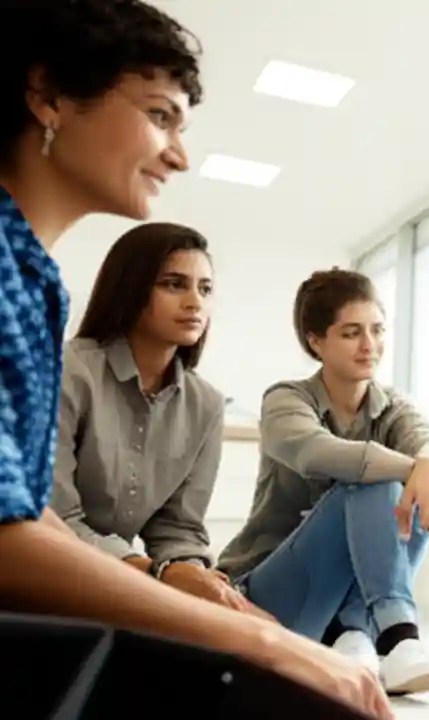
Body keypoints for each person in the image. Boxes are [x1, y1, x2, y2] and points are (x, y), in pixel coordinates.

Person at [0, 2, 390, 717]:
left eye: (204, 287)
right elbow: (18, 532)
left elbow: (21, 516)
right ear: (49, 95)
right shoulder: (53, 330)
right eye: (158, 116)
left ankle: (374, 635)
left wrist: (198, 590)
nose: (178, 154)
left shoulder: (33, 281)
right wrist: (251, 639)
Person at [217, 268, 429, 696]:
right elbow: (317, 453)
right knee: (372, 481)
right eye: (351, 333)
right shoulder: (286, 399)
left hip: (350, 610)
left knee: (401, 484)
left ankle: (354, 640)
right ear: (316, 341)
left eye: (377, 330)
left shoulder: (391, 405)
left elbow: (428, 439)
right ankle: (400, 638)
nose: (369, 345)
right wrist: (421, 471)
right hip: (273, 594)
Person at [52, 222, 274, 620]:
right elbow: (55, 518)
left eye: (205, 289)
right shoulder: (68, 371)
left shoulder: (206, 404)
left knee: (251, 636)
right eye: (174, 284)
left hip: (130, 581)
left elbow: (178, 529)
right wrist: (157, 574)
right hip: (49, 573)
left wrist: (190, 571)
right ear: (131, 287)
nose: (195, 302)